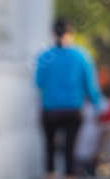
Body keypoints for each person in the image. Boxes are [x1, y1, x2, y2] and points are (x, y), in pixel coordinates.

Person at [35, 18, 103, 179]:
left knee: (49, 149)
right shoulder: (81, 56)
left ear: (52, 33)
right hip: (73, 109)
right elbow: (90, 86)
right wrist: (97, 107)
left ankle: (50, 175)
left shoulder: (44, 56)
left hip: (50, 108)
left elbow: (38, 82)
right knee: (70, 150)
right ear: (71, 33)